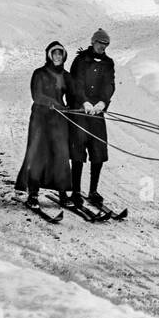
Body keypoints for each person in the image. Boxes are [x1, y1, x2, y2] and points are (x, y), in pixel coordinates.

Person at [15, 41, 77, 208]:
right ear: (49, 55)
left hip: (58, 120)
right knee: (38, 154)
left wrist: (77, 107)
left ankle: (63, 194)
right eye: (54, 53)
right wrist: (53, 103)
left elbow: (73, 95)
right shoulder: (39, 73)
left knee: (61, 155)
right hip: (40, 119)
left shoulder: (66, 76)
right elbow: (37, 95)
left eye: (60, 54)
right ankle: (33, 193)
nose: (57, 57)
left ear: (64, 56)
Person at [69, 28, 116, 205]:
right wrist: (84, 102)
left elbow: (109, 84)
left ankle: (93, 191)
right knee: (78, 151)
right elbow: (76, 82)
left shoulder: (108, 63)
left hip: (96, 113)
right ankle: (75, 191)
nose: (102, 47)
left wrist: (103, 102)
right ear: (93, 42)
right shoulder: (81, 60)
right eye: (100, 43)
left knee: (98, 150)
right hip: (81, 111)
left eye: (105, 44)